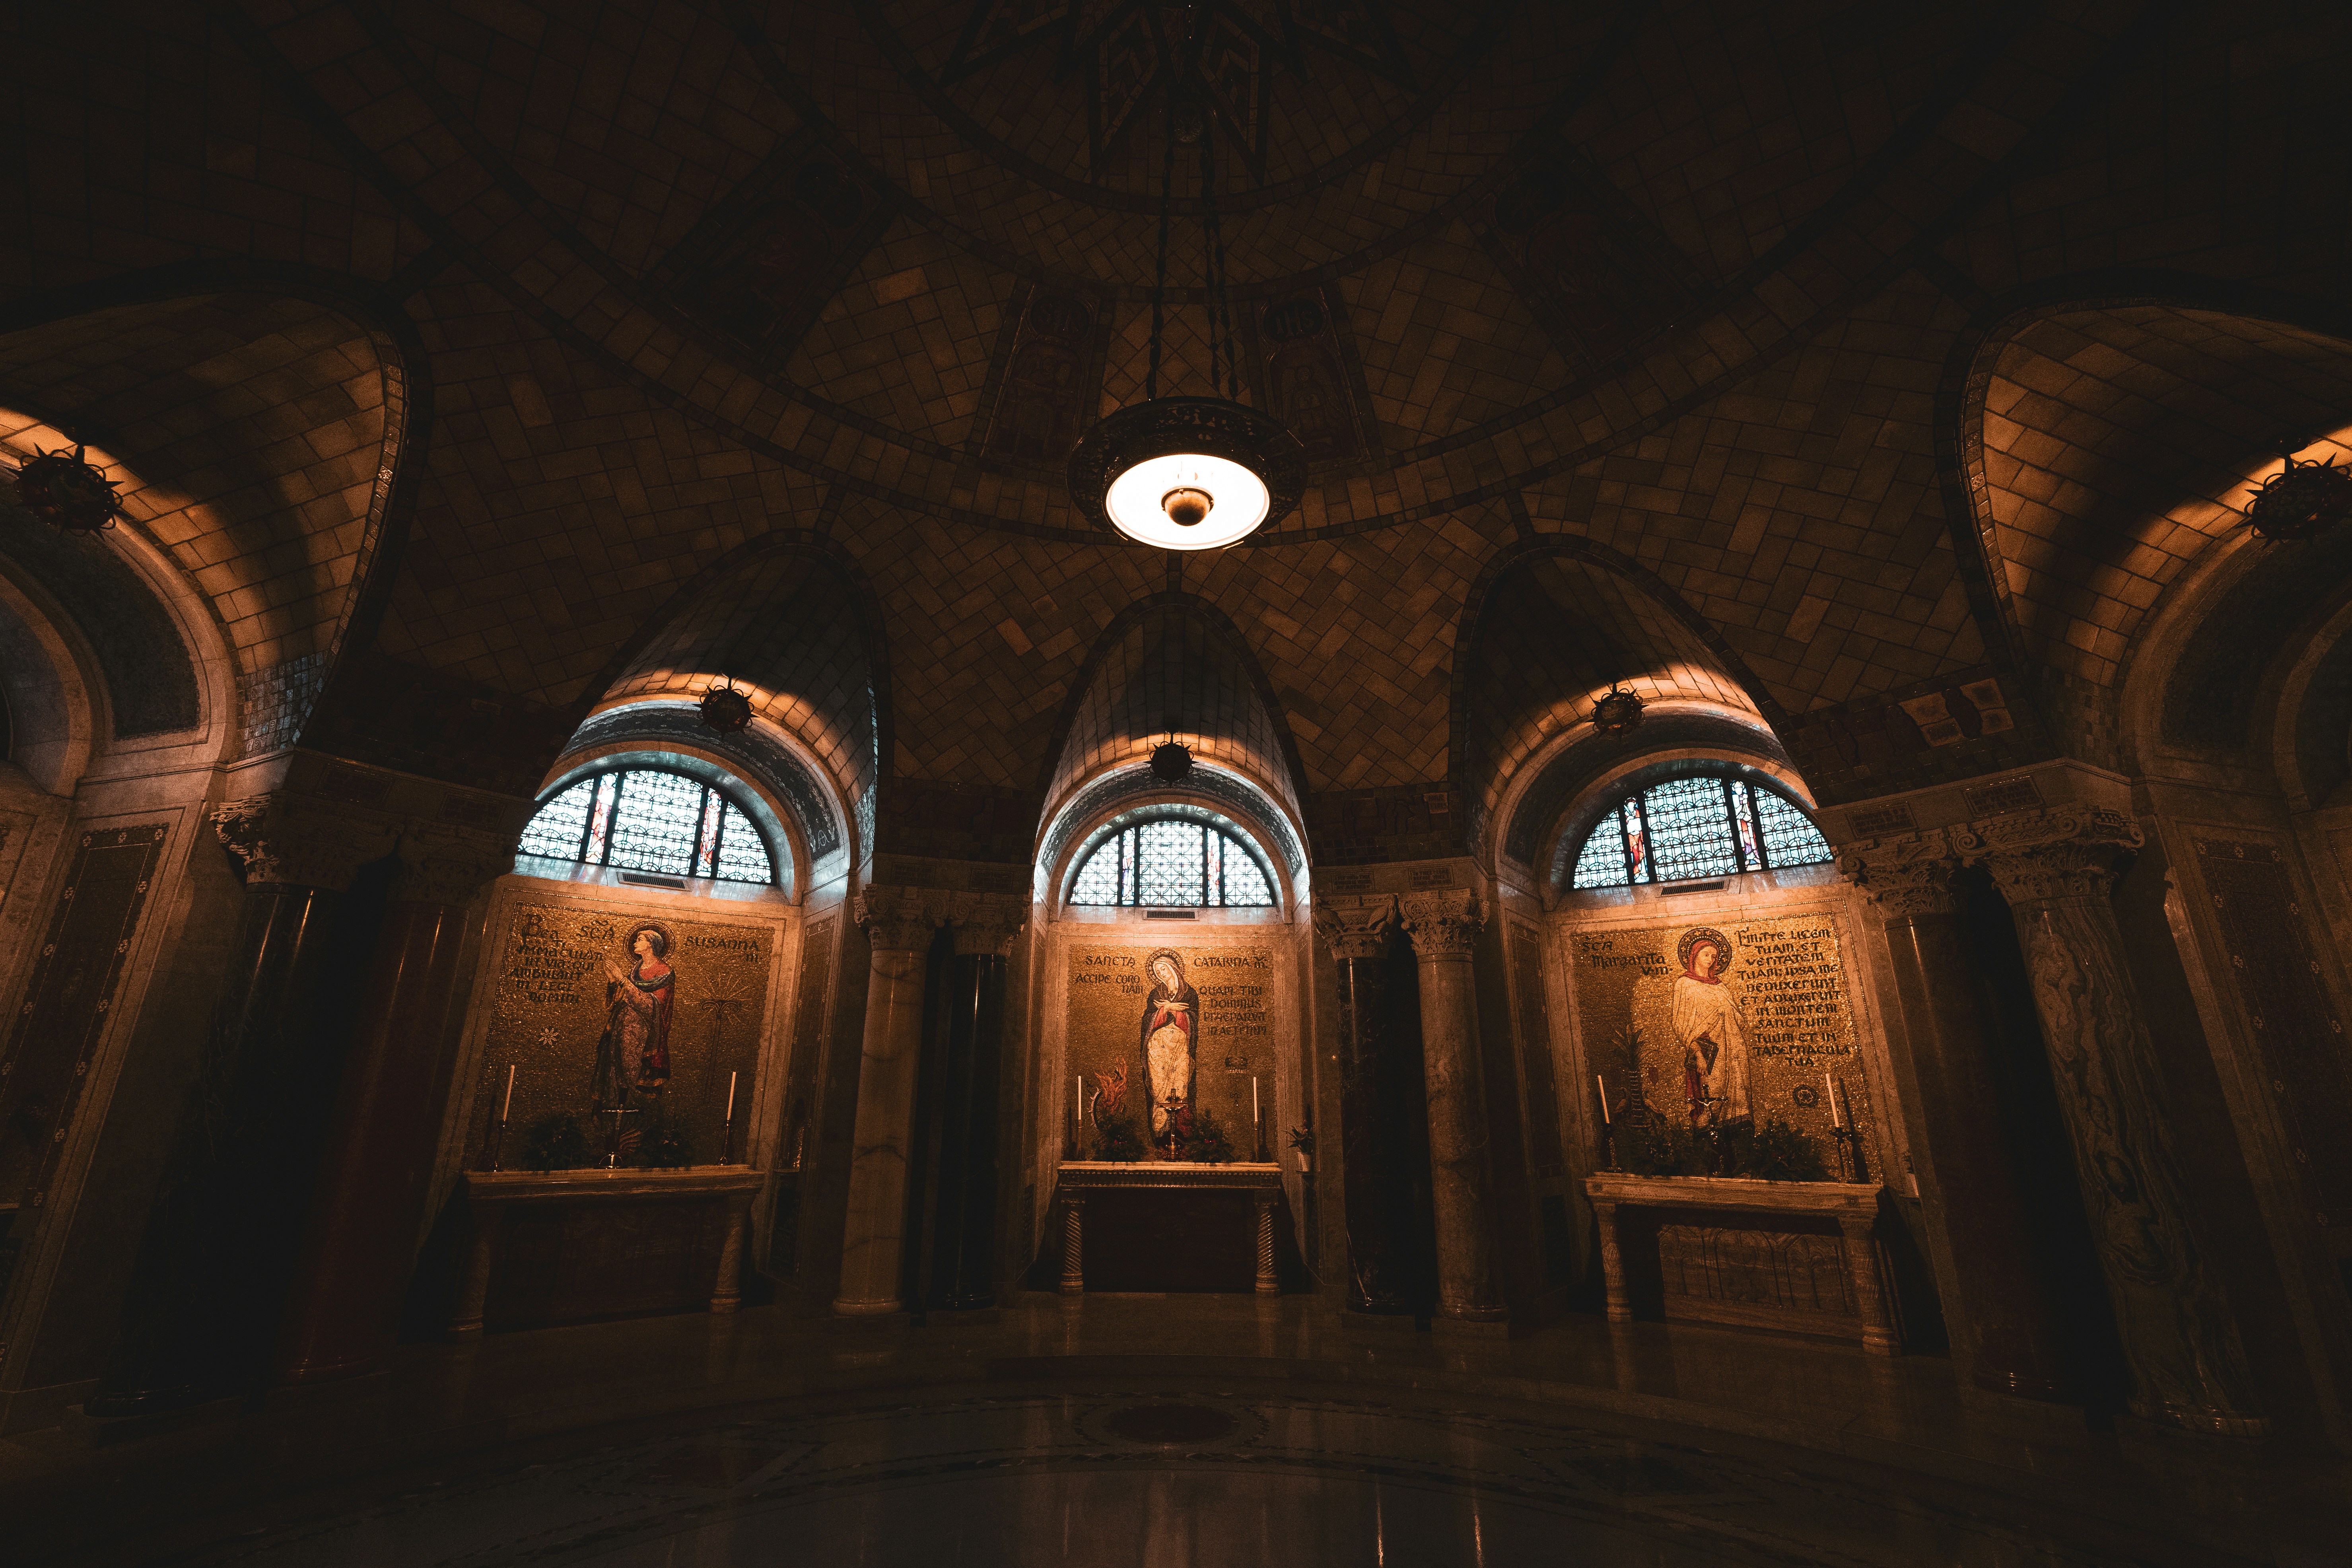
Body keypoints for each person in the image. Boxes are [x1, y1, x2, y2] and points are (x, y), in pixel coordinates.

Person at [1671, 927, 1748, 1129]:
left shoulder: (1720, 986)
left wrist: (1726, 1012)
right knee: (1711, 1092)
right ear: (1694, 956)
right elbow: (1681, 1023)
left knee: (1737, 1094)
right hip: (1708, 1048)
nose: (1711, 960)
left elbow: (1740, 1021)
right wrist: (1697, 1052)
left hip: (1733, 1051)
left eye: (1714, 956)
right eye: (1706, 955)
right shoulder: (1685, 984)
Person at [594, 925, 674, 1111]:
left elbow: (653, 1005)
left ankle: (631, 1114)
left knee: (630, 1076)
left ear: (651, 945)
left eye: (640, 940)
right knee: (614, 1073)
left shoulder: (664, 972)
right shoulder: (635, 970)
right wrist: (614, 982)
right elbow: (620, 1000)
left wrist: (622, 980)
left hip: (642, 1037)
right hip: (620, 1032)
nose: (635, 943)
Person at [1136, 951, 1199, 1146]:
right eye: (1157, 972)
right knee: (1158, 1090)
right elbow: (1147, 1021)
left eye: (1164, 969)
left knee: (1181, 1087)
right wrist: (1167, 1009)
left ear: (1173, 968)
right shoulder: (1156, 994)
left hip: (1180, 1049)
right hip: (1157, 1050)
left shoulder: (1190, 993)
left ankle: (1182, 1135)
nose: (1161, 974)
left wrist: (1179, 1013)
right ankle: (1160, 1136)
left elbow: (1194, 1020)